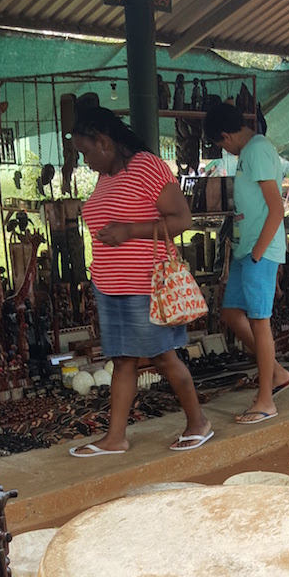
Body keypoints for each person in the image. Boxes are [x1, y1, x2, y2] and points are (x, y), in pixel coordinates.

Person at [68, 106, 212, 456]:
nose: (85, 161)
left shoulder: (147, 167)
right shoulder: (106, 178)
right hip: (109, 285)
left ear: (104, 142)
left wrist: (128, 231)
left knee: (163, 358)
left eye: (86, 152)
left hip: (144, 284)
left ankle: (198, 423)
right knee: (123, 360)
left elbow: (182, 218)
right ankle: (115, 438)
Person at [203, 101, 289, 424]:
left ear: (225, 136)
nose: (223, 150)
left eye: (220, 145)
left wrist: (257, 253)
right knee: (230, 313)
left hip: (260, 251)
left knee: (260, 322)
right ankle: (278, 373)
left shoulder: (256, 151)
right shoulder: (248, 155)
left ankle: (266, 400)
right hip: (247, 251)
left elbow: (276, 209)